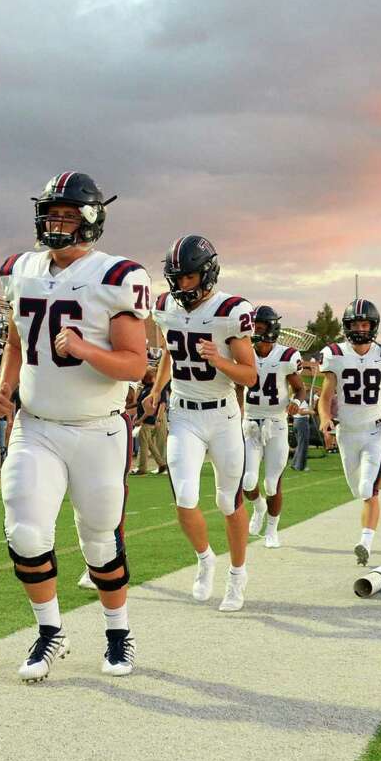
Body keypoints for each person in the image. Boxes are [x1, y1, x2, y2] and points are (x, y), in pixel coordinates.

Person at [0, 171, 149, 681]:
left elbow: (135, 364)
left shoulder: (116, 277)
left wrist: (85, 349)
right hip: (36, 425)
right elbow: (17, 340)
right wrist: (5, 384)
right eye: (51, 213)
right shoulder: (20, 270)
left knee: (99, 540)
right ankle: (49, 630)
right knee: (25, 532)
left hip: (97, 429)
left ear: (91, 219)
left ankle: (118, 633)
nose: (57, 223)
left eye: (68, 214)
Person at [144, 236, 256, 611]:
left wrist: (218, 360)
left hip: (223, 416)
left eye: (188, 277)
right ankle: (205, 558)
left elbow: (250, 375)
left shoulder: (230, 311)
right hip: (183, 415)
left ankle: (237, 575)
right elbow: (170, 354)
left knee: (228, 500)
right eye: (176, 277)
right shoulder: (165, 307)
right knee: (185, 497)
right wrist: (156, 390)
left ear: (207, 274)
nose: (181, 285)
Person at [317, 300, 381, 565]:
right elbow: (325, 396)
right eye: (355, 324)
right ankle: (365, 537)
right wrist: (325, 418)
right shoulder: (335, 354)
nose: (360, 329)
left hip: (374, 431)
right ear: (346, 326)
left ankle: (365, 542)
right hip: (346, 432)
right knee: (358, 490)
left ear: (373, 326)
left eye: (365, 324)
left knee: (368, 488)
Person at [242, 306, 304, 548]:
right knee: (247, 481)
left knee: (271, 483)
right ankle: (258, 507)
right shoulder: (243, 351)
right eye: (252, 327)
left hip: (276, 423)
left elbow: (299, 388)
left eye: (259, 327)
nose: (254, 332)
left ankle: (272, 529)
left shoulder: (286, 356)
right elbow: (236, 386)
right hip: (250, 422)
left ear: (271, 329)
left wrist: (297, 402)